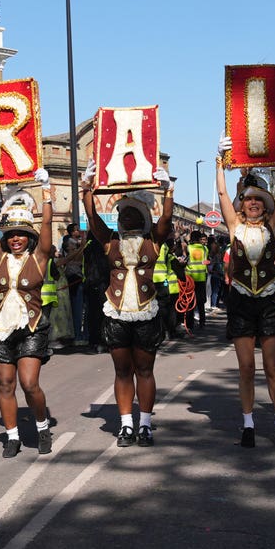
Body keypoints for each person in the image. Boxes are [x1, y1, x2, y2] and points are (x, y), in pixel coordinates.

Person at [82, 160, 174, 448]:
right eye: (123, 215)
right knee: (122, 370)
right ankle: (125, 425)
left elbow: (167, 221)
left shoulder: (154, 242)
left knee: (145, 370)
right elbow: (93, 218)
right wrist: (87, 189)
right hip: (116, 313)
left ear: (143, 219)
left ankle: (145, 424)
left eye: (132, 215)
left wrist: (168, 191)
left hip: (146, 312)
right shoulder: (110, 243)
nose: (126, 218)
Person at [216, 135, 275, 448]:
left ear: (265, 204)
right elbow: (222, 192)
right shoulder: (234, 227)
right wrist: (219, 162)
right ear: (242, 203)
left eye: (258, 199)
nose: (253, 203)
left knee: (272, 367)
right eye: (248, 199)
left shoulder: (273, 227)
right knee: (246, 367)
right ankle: (248, 424)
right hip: (241, 301)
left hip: (270, 301)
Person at [0, 169, 56, 457]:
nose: (16, 239)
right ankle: (12, 437)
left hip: (32, 326)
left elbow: (47, 223)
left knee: (29, 383)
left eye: (22, 234)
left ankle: (42, 426)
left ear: (29, 237)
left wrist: (46, 192)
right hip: (2, 328)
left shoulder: (40, 257)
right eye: (11, 235)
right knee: (5, 384)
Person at [186, 229, 210, 330]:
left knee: (190, 301)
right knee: (201, 302)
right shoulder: (205, 249)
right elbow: (206, 261)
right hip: (201, 278)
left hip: (190, 278)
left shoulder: (188, 248)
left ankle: (190, 323)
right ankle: (202, 322)